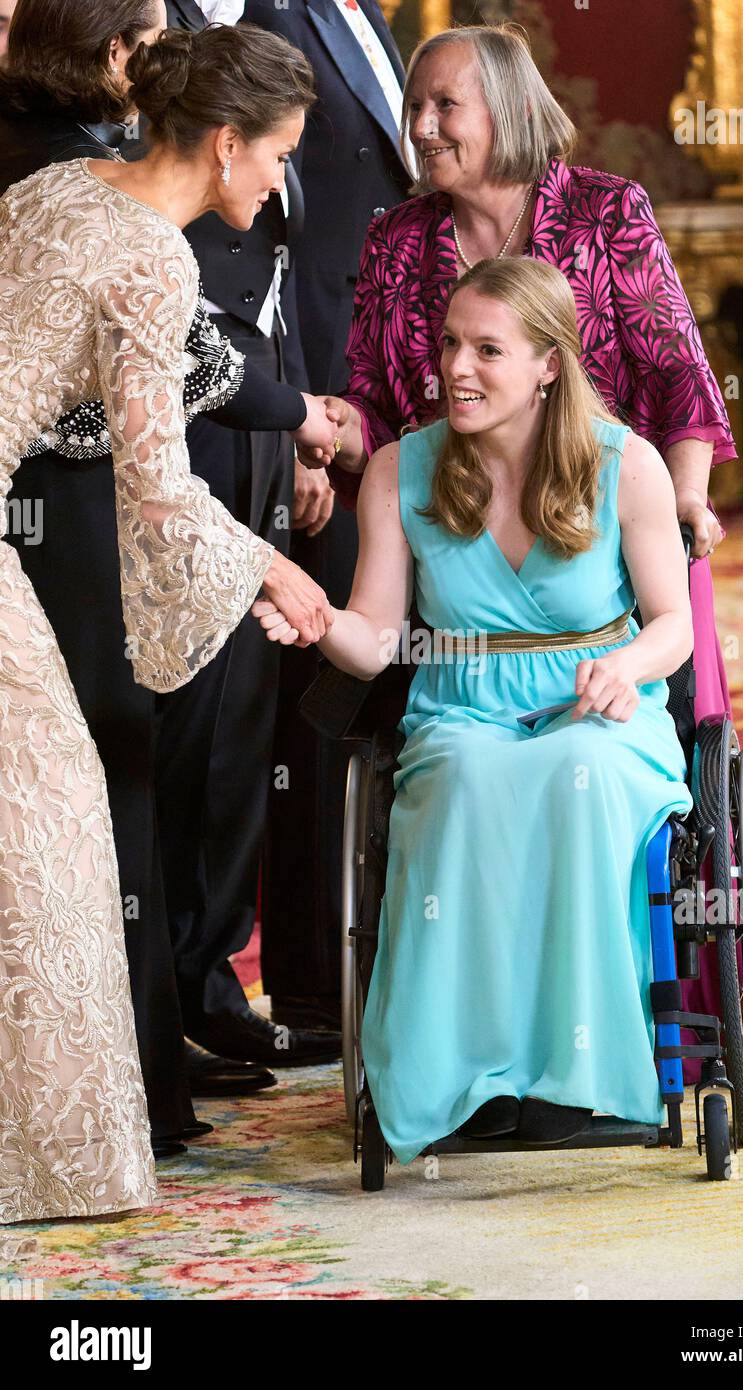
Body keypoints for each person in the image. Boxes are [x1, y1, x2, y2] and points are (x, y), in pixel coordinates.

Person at [310, 21, 743, 1083]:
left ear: (504, 111)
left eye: (441, 108)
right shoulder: (395, 239)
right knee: (453, 769)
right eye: (413, 105)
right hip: (455, 543)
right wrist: (329, 440)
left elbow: (679, 378)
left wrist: (685, 504)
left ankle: (655, 1013)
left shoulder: (604, 214)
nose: (417, 128)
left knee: (635, 762)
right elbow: (374, 398)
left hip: (605, 527)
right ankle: (473, 1039)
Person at [0, 22, 334, 1222]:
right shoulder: (151, 254)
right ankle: (50, 1163)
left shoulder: (53, 187)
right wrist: (273, 577)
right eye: (278, 156)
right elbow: (157, 484)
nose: (278, 184)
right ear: (227, 141)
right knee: (54, 846)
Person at [256, 257, 694, 1156]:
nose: (456, 366)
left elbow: (673, 623)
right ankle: (466, 1080)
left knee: (581, 775)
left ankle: (583, 1075)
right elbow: (377, 640)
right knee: (459, 783)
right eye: (451, 342)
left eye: (487, 349)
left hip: (598, 707)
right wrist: (319, 620)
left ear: (546, 365)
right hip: (461, 709)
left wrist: (626, 669)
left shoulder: (627, 465)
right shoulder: (398, 471)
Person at [151, 0, 343, 1072]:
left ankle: (211, 973)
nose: (277, 173)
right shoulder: (156, 53)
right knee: (186, 707)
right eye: (270, 156)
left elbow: (285, 284)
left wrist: (305, 428)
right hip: (180, 424)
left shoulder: (280, 35)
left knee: (240, 718)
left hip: (269, 409)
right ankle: (168, 981)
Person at [245, 0, 413, 1036]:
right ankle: (309, 986)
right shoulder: (275, 15)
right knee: (323, 683)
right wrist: (306, 425)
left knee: (377, 677)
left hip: (384, 400)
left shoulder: (369, 16)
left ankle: (371, 960)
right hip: (321, 406)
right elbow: (279, 244)